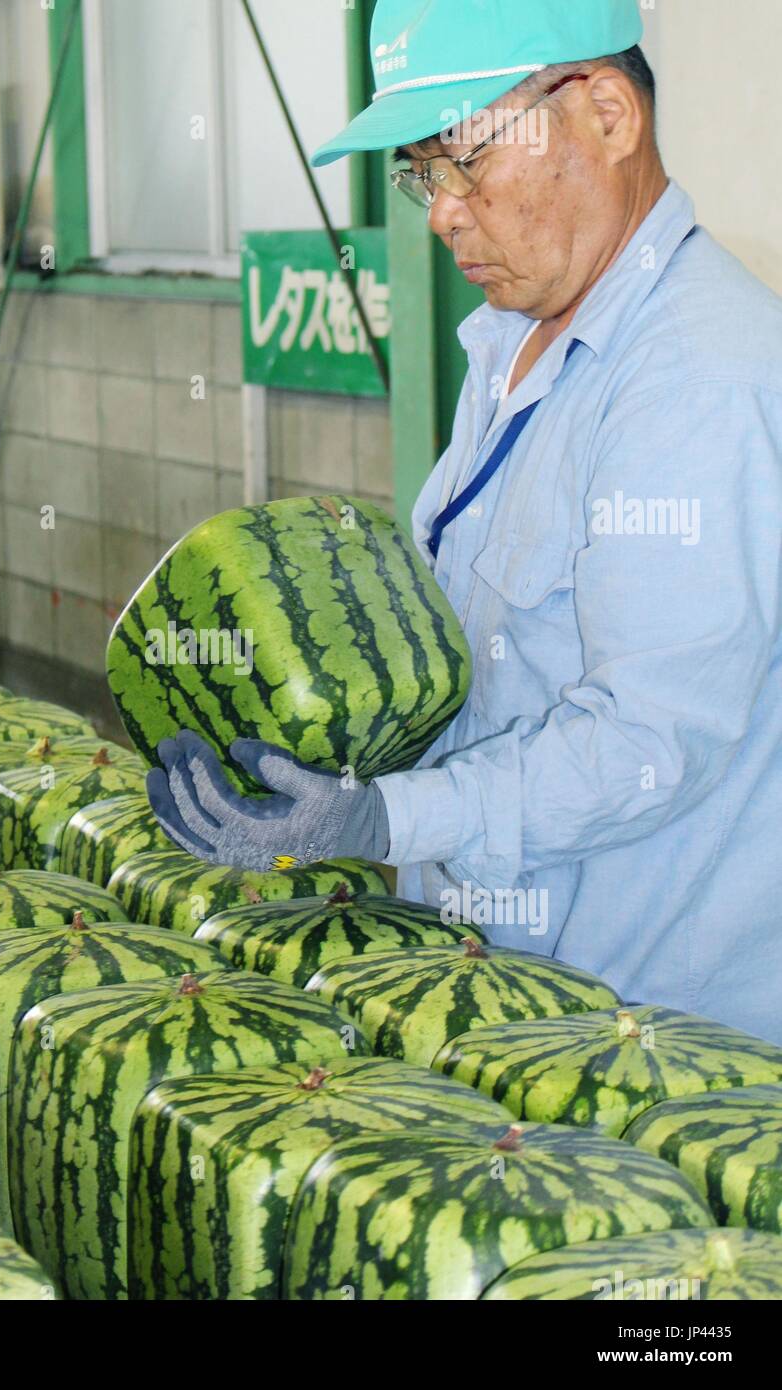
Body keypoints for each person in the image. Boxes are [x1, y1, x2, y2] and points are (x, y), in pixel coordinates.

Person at [145, 0, 782, 1044]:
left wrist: (385, 817)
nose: (439, 212)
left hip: (646, 1040)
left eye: (463, 158)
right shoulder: (508, 348)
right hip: (506, 988)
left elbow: (646, 741)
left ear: (607, 115)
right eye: (419, 171)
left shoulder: (697, 380)